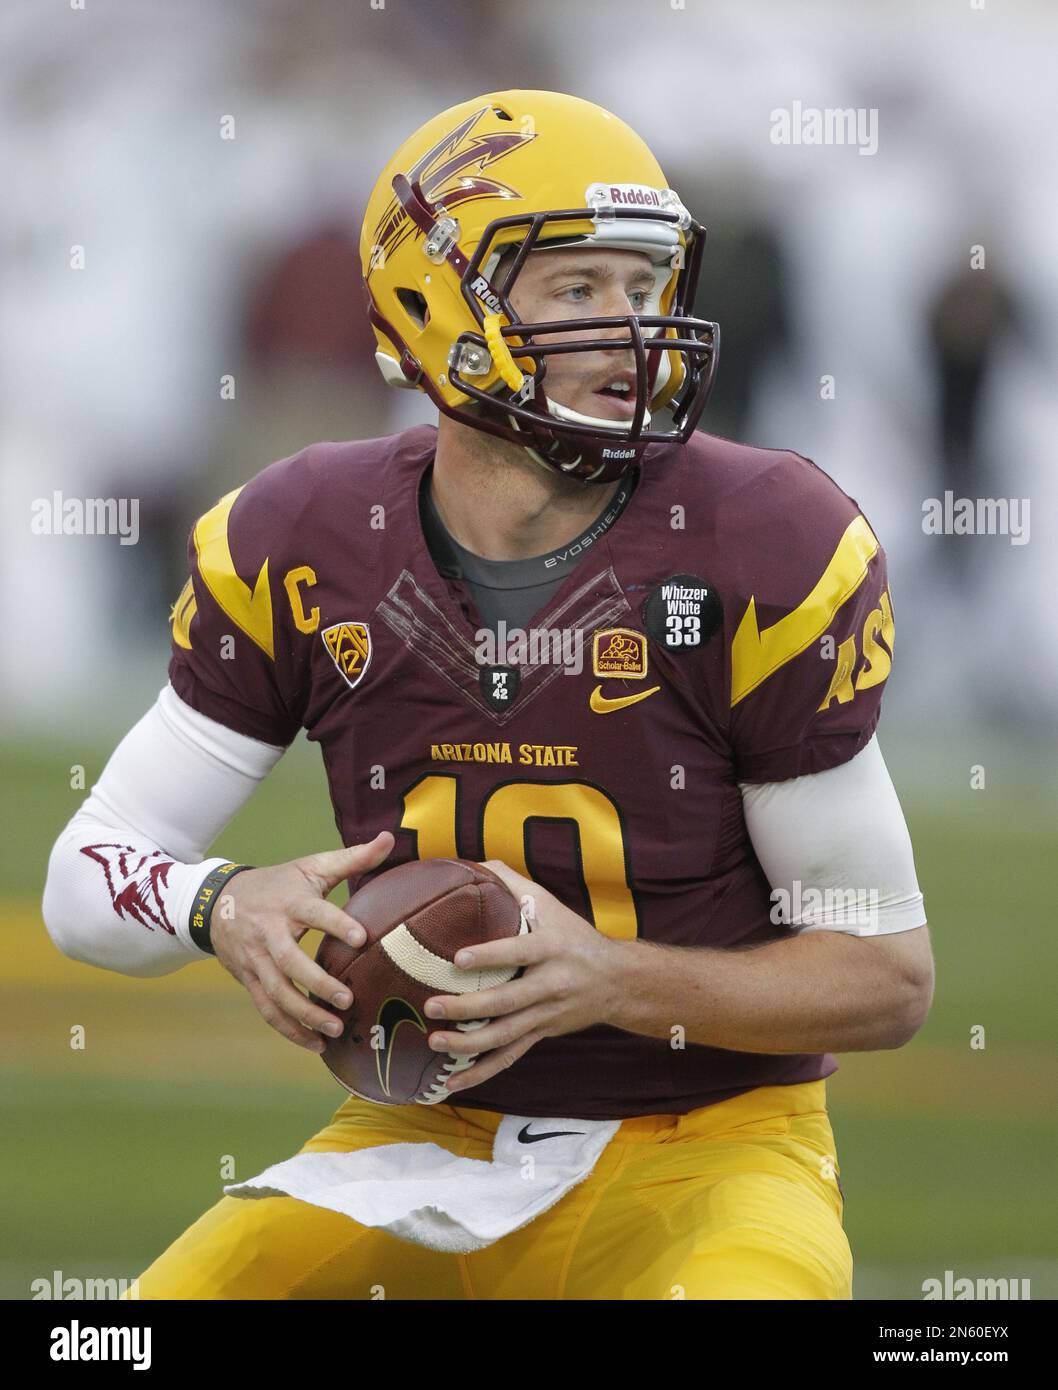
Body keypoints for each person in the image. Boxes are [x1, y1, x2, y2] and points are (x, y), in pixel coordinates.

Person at [43, 89, 932, 1300]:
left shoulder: (757, 539)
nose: (629, 329)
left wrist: (612, 978)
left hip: (712, 1151)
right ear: (430, 307)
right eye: (577, 291)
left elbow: (884, 977)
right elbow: (85, 872)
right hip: (419, 1138)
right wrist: (220, 905)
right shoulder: (303, 537)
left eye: (643, 285)